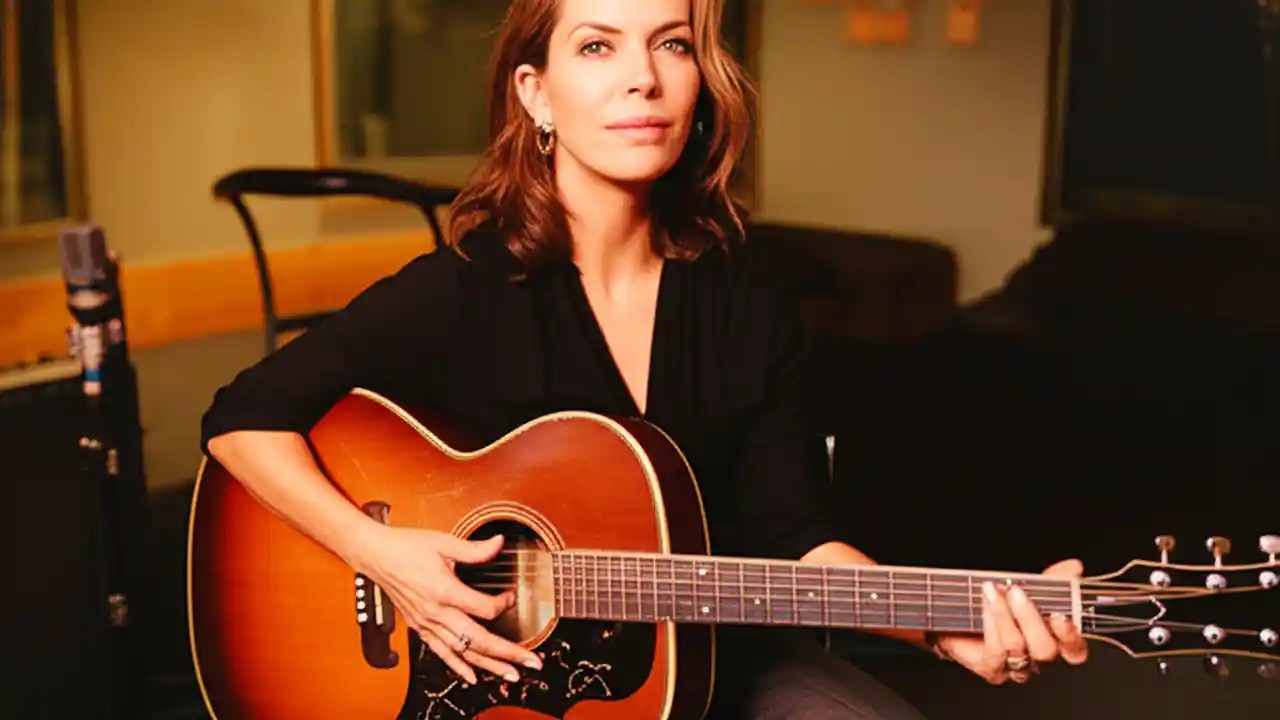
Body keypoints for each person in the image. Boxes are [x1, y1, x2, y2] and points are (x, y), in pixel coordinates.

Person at [200, 0, 1088, 717]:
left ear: (701, 81)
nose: (643, 77)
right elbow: (240, 419)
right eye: (597, 45)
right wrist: (381, 552)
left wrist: (943, 628)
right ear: (536, 95)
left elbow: (797, 542)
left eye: (672, 43)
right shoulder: (466, 288)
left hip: (715, 658)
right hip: (500, 685)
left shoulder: (750, 304)